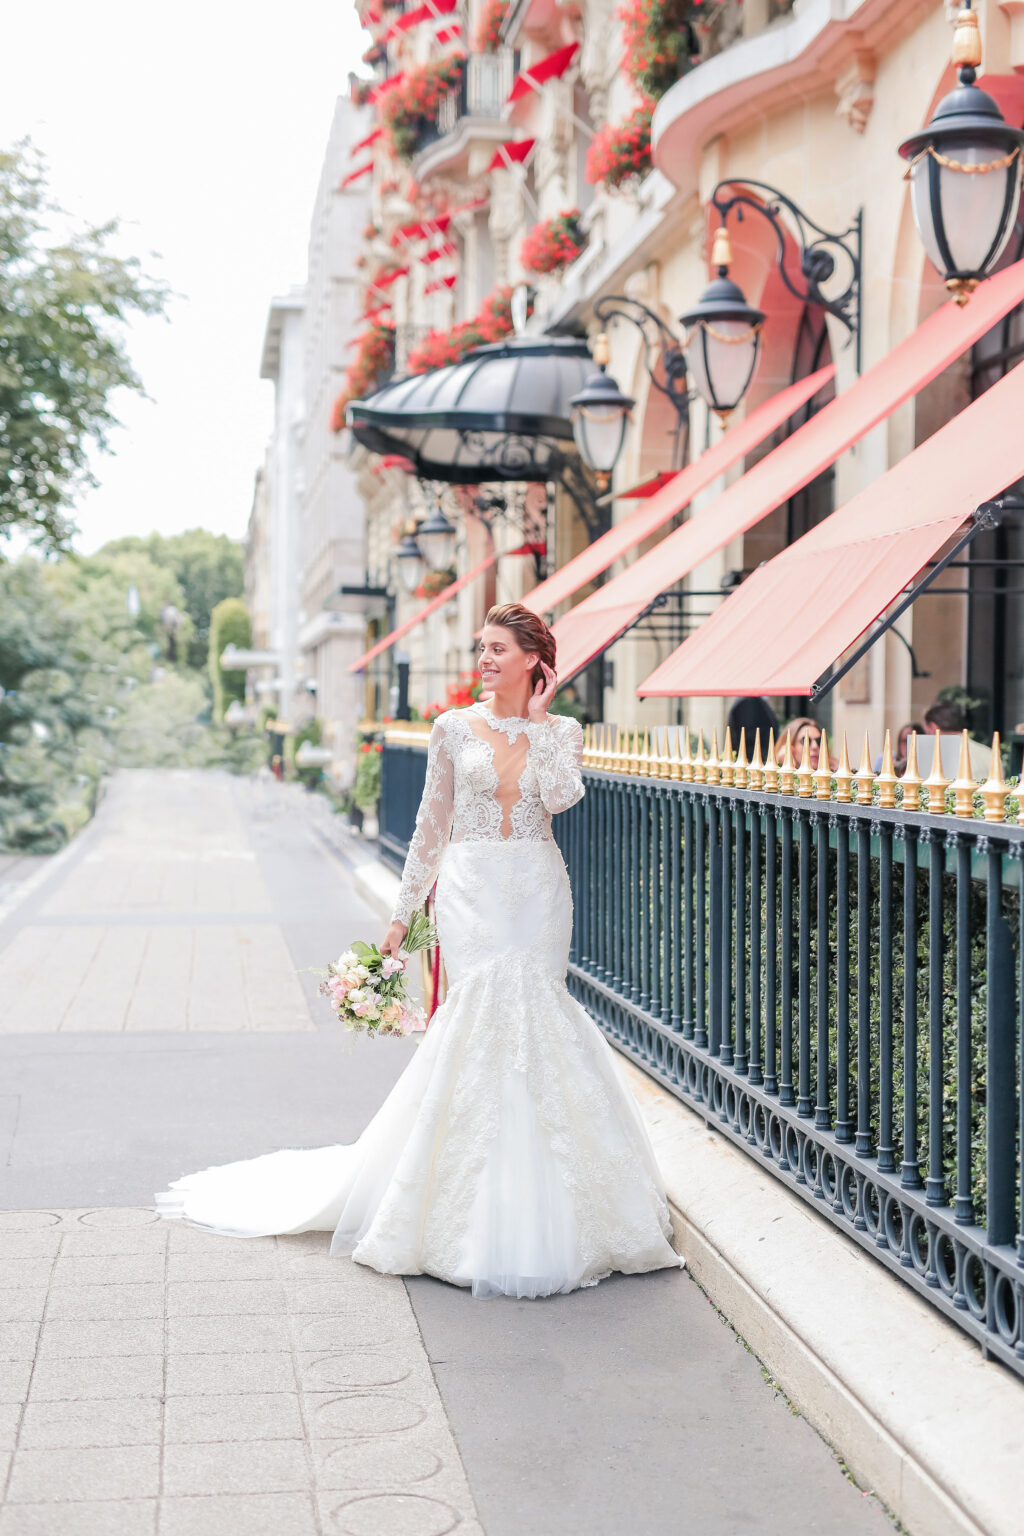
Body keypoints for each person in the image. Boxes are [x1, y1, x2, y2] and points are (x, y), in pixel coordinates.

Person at [155, 602, 682, 1299]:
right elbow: (430, 826)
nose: (486, 659)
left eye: (499, 649)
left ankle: (555, 1204)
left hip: (536, 889)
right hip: (469, 890)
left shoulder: (563, 733)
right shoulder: (451, 727)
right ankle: (453, 1208)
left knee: (538, 1017)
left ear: (532, 658)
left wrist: (539, 726)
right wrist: (403, 917)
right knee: (477, 1022)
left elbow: (561, 799)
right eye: (482, 648)